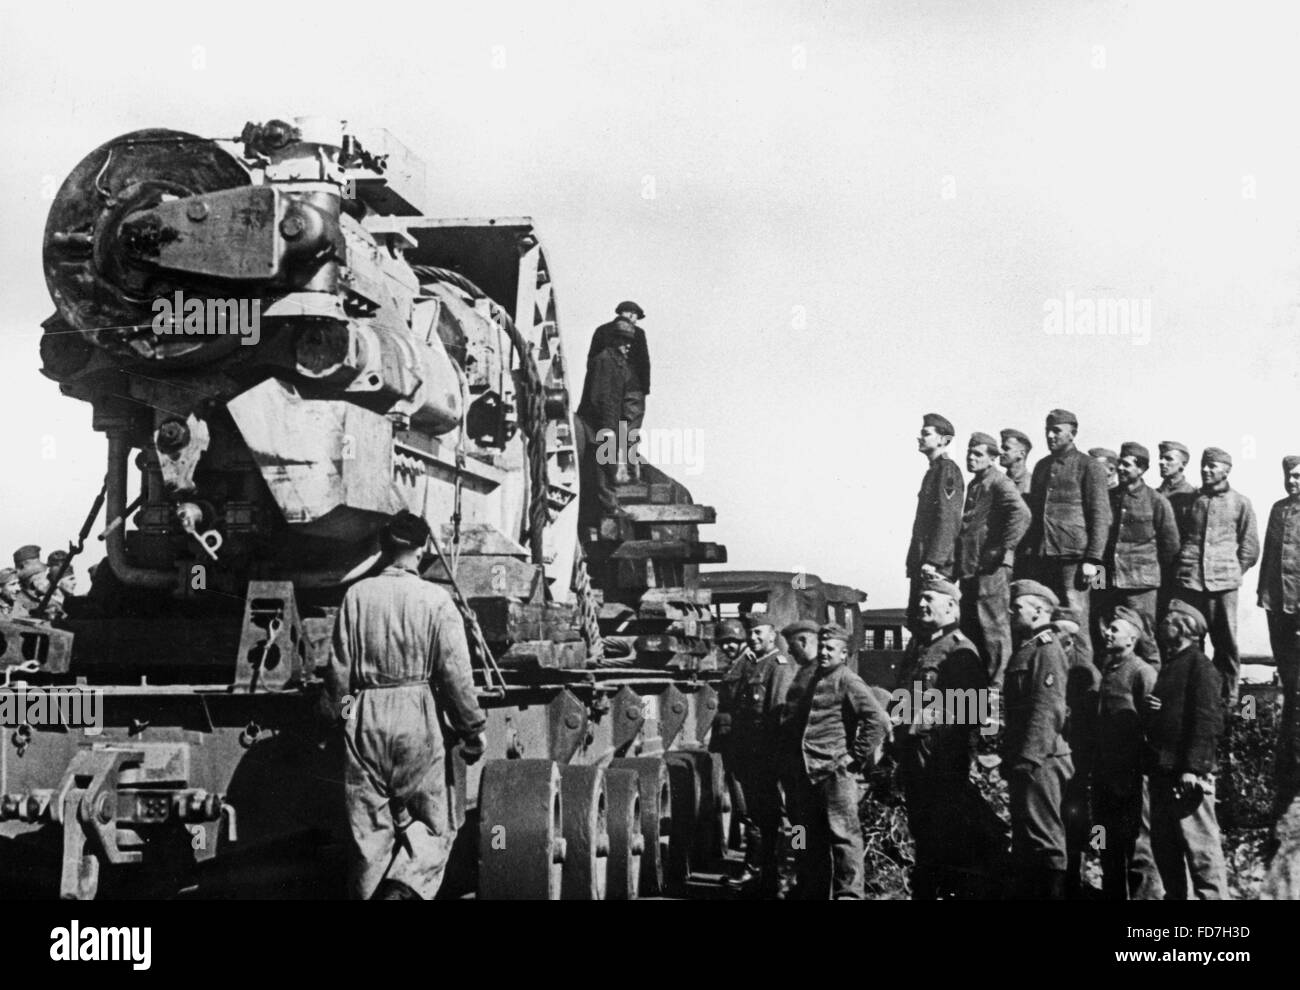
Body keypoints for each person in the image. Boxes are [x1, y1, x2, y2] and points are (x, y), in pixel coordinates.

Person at [323, 510, 487, 900]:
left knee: (368, 834)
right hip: (417, 713)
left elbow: (339, 676)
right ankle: (404, 889)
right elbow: (455, 676)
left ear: (383, 547)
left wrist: (343, 721)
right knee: (433, 827)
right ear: (423, 548)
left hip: (365, 714)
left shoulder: (356, 596)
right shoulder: (436, 600)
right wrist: (472, 729)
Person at [892, 577, 1003, 898]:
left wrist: (920, 722)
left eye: (929, 598)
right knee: (924, 837)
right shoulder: (923, 647)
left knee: (946, 838)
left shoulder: (960, 650)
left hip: (941, 762)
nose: (921, 604)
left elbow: (971, 712)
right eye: (920, 599)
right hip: (917, 759)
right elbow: (903, 698)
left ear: (951, 606)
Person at [782, 622, 890, 899]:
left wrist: (855, 757)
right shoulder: (812, 677)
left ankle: (848, 896)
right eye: (823, 647)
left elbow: (877, 719)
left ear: (844, 655)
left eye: (831, 649)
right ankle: (809, 889)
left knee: (844, 839)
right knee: (805, 835)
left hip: (834, 774)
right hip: (806, 773)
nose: (825, 653)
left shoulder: (848, 680)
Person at [1145, 599, 1230, 899]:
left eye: (1168, 620)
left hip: (1187, 777)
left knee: (1201, 854)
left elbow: (1208, 721)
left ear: (1183, 627)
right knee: (1166, 851)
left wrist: (1193, 769)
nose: (1162, 623)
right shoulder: (1172, 665)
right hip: (1164, 772)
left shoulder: (1201, 667)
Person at [1020, 409, 1112, 668]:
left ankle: (1085, 684)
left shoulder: (1089, 466)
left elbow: (1100, 515)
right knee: (1047, 620)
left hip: (1076, 558)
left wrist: (1093, 559)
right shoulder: (1041, 467)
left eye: (1057, 431)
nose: (1050, 436)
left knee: (1078, 621)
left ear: (1073, 433)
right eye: (1047, 430)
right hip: (1043, 557)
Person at [1172, 447, 1259, 708]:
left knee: (1225, 643)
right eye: (1204, 465)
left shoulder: (1240, 503)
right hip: (1190, 583)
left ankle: (1229, 701)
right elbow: (1177, 539)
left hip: (1223, 586)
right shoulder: (1191, 501)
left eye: (1213, 466)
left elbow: (1250, 548)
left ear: (1226, 470)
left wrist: (1229, 571)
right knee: (1189, 639)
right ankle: (1193, 697)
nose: (1206, 470)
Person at [1004, 579, 1074, 899]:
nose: (1010, 611)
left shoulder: (1047, 649)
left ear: (1039, 611)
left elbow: (1048, 708)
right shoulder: (1028, 647)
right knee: (1027, 839)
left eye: (1017, 607)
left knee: (1045, 841)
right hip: (1026, 758)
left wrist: (1030, 757)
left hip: (1042, 759)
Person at [723, 613, 794, 895]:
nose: (753, 638)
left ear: (772, 635)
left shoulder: (779, 666)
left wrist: (775, 758)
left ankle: (788, 872)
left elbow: (777, 713)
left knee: (784, 818)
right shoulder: (754, 664)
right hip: (750, 753)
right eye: (751, 634)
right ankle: (761, 872)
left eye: (759, 633)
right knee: (758, 816)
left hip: (768, 755)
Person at [1092, 607, 1159, 899]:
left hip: (1131, 773)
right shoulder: (1109, 667)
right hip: (1106, 771)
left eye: (1115, 630)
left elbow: (1152, 725)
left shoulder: (1142, 672)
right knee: (1106, 841)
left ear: (1132, 638)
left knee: (1138, 845)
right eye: (1109, 628)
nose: (1108, 633)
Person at [955, 431, 1031, 687]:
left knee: (994, 630)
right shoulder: (977, 484)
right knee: (974, 627)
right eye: (969, 452)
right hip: (973, 568)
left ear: (992, 458)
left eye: (978, 454)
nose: (971, 457)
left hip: (992, 569)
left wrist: (1002, 548)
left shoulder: (999, 482)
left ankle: (998, 688)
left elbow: (1022, 514)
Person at [1100, 442, 1180, 663]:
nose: (1121, 469)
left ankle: (1151, 690)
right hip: (1108, 581)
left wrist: (1149, 572)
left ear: (1142, 469)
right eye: (1119, 464)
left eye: (1126, 465)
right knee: (1107, 633)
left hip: (1140, 584)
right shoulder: (1109, 497)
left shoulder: (1157, 502)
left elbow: (1170, 547)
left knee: (1144, 636)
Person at [1258, 455, 1300, 816]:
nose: (1293, 481)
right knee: (1289, 679)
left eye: (1299, 476)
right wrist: (1264, 594)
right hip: (1278, 604)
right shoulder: (1278, 509)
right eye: (1290, 476)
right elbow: (1270, 555)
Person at [575, 321, 640, 531]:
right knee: (604, 468)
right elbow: (599, 399)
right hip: (598, 424)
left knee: (609, 466)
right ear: (614, 340)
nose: (628, 345)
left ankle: (611, 506)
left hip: (608, 424)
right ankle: (609, 508)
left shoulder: (619, 365)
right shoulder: (604, 361)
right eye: (623, 340)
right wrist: (608, 430)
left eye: (630, 341)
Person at [1053, 605, 1099, 899]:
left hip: (1076, 759)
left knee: (1074, 822)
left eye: (1057, 632)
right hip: (1065, 755)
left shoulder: (1083, 671)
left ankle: (1073, 883)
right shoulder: (1054, 660)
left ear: (1069, 638)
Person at [906, 413, 963, 633]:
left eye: (926, 434)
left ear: (943, 440)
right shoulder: (934, 471)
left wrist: (934, 560)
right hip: (923, 562)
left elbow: (948, 518)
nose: (920, 438)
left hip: (933, 566)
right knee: (918, 621)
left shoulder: (947, 471)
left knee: (930, 622)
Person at [585, 301, 649, 482]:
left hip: (606, 387)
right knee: (629, 430)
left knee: (608, 427)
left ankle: (613, 470)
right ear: (629, 314)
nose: (636, 319)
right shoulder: (638, 333)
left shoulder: (600, 330)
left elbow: (590, 361)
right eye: (635, 315)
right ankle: (629, 471)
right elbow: (644, 364)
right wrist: (643, 389)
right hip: (632, 388)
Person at [999, 428, 1034, 495]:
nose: (1000, 452)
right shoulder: (998, 483)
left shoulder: (1033, 484)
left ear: (1021, 454)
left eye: (1006, 448)